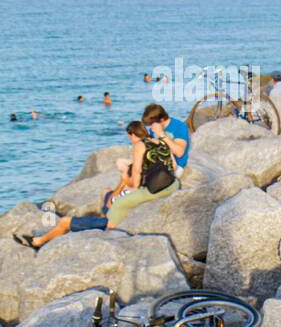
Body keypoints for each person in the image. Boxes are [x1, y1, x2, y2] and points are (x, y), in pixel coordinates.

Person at [13, 121, 177, 250]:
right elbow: (173, 166)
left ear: (133, 135)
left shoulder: (139, 146)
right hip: (170, 184)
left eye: (130, 137)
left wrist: (127, 185)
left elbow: (135, 178)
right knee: (106, 193)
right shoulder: (159, 142)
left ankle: (38, 242)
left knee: (66, 221)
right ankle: (103, 216)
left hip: (140, 199)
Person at [141, 103, 190, 178]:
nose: (151, 127)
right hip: (158, 162)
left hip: (176, 165)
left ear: (162, 119)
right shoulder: (153, 128)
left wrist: (161, 134)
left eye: (151, 124)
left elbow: (179, 152)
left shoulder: (180, 127)